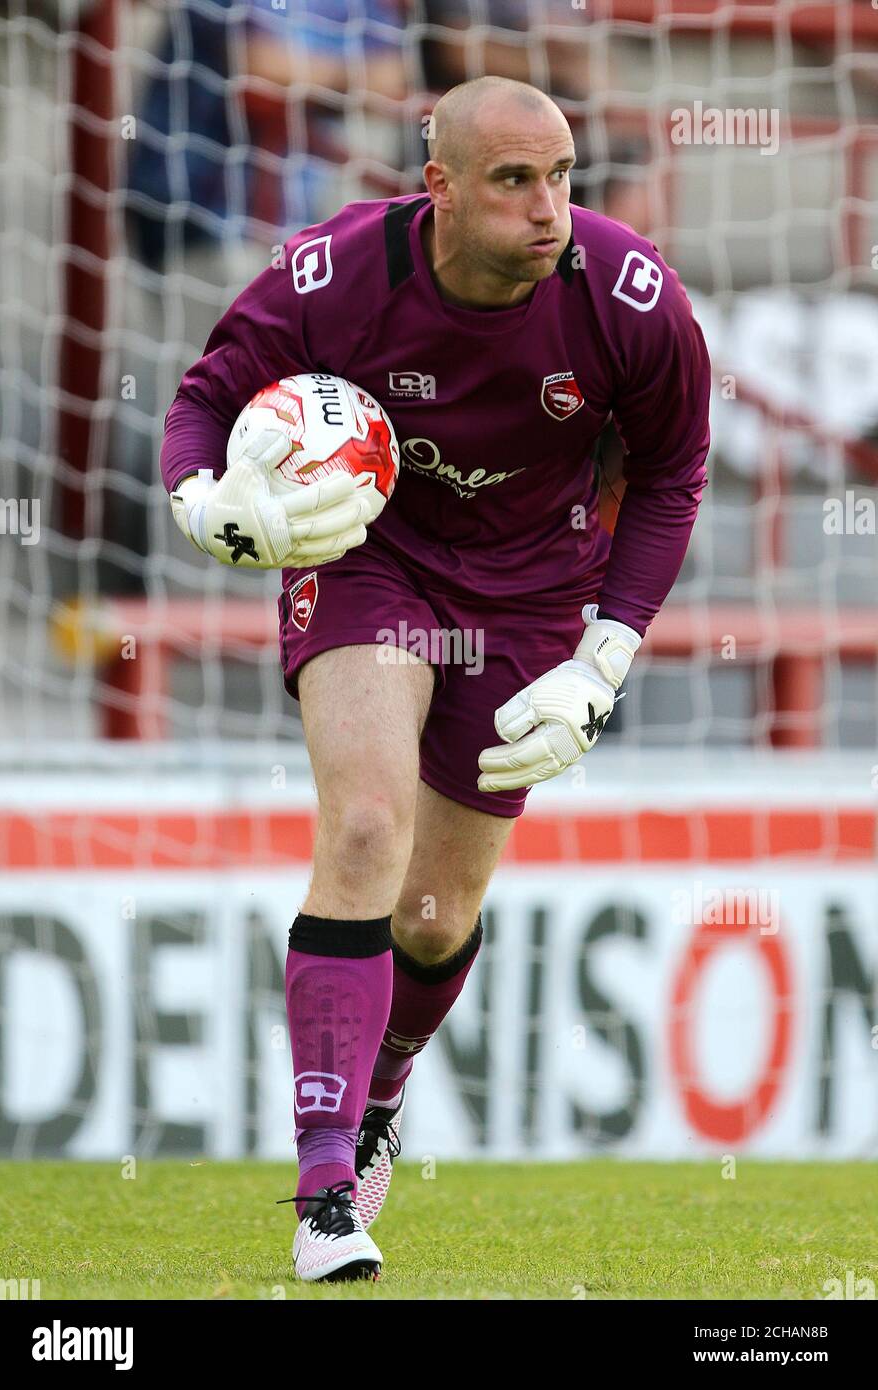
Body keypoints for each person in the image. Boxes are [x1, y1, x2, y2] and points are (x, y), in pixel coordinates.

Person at [162, 76, 710, 1282]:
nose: (548, 207)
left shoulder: (626, 298)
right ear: (439, 188)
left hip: (526, 598)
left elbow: (671, 475)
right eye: (514, 181)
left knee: (433, 914)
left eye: (561, 175)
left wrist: (602, 659)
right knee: (364, 825)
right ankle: (321, 1197)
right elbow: (205, 397)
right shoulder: (333, 275)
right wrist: (200, 499)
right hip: (373, 562)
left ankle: (379, 1098)